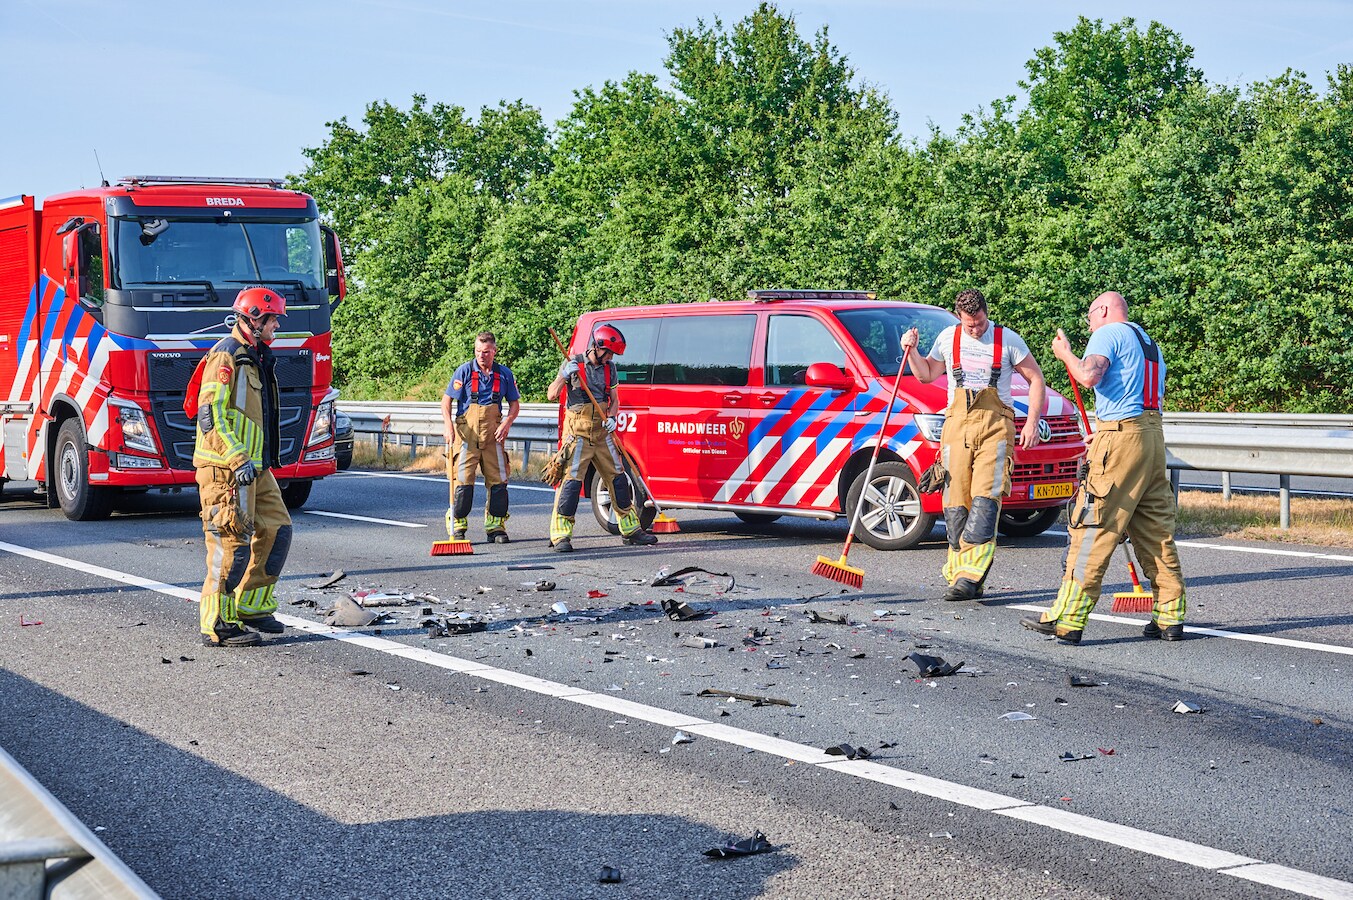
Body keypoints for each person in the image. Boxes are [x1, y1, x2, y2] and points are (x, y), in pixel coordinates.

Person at [1022, 291, 1186, 644]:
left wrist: (1065, 354)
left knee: (1092, 526)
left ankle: (1068, 618)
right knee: (1155, 531)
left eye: (1090, 318)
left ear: (1105, 310)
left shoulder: (1109, 333)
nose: (1089, 327)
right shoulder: (1149, 343)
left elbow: (1089, 375)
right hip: (1152, 438)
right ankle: (1170, 617)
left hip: (1121, 438)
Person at [901, 289, 1047, 601]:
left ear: (986, 313)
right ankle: (962, 574)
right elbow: (926, 374)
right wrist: (911, 351)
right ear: (959, 317)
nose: (976, 329)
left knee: (985, 501)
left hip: (996, 429)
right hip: (956, 427)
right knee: (955, 503)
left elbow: (1036, 379)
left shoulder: (1007, 339)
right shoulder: (947, 338)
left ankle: (969, 577)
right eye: (970, 324)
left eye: (980, 322)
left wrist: (1032, 422)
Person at [192, 286, 292, 647]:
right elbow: (210, 414)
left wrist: (254, 461)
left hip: (254, 468)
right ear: (254, 319)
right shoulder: (227, 355)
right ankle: (218, 624)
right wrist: (237, 457)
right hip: (226, 469)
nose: (277, 325)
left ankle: (252, 605)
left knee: (278, 530)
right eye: (273, 319)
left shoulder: (254, 357)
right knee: (230, 545)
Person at [545, 324, 657, 552]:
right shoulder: (573, 363)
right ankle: (560, 535)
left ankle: (631, 530)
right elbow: (551, 394)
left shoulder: (610, 368)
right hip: (578, 434)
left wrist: (612, 417)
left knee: (618, 480)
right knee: (571, 485)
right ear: (597, 346)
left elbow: (614, 400)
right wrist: (564, 376)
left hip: (602, 432)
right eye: (609, 353)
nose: (610, 358)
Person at [441, 332, 522, 543]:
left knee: (499, 485)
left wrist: (507, 423)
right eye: (478, 351)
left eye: (485, 352)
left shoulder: (504, 374)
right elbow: (446, 401)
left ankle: (496, 527)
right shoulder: (465, 371)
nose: (481, 356)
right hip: (467, 436)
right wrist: (448, 425)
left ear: (494, 351)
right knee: (463, 484)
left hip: (493, 436)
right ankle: (458, 527)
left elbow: (515, 404)